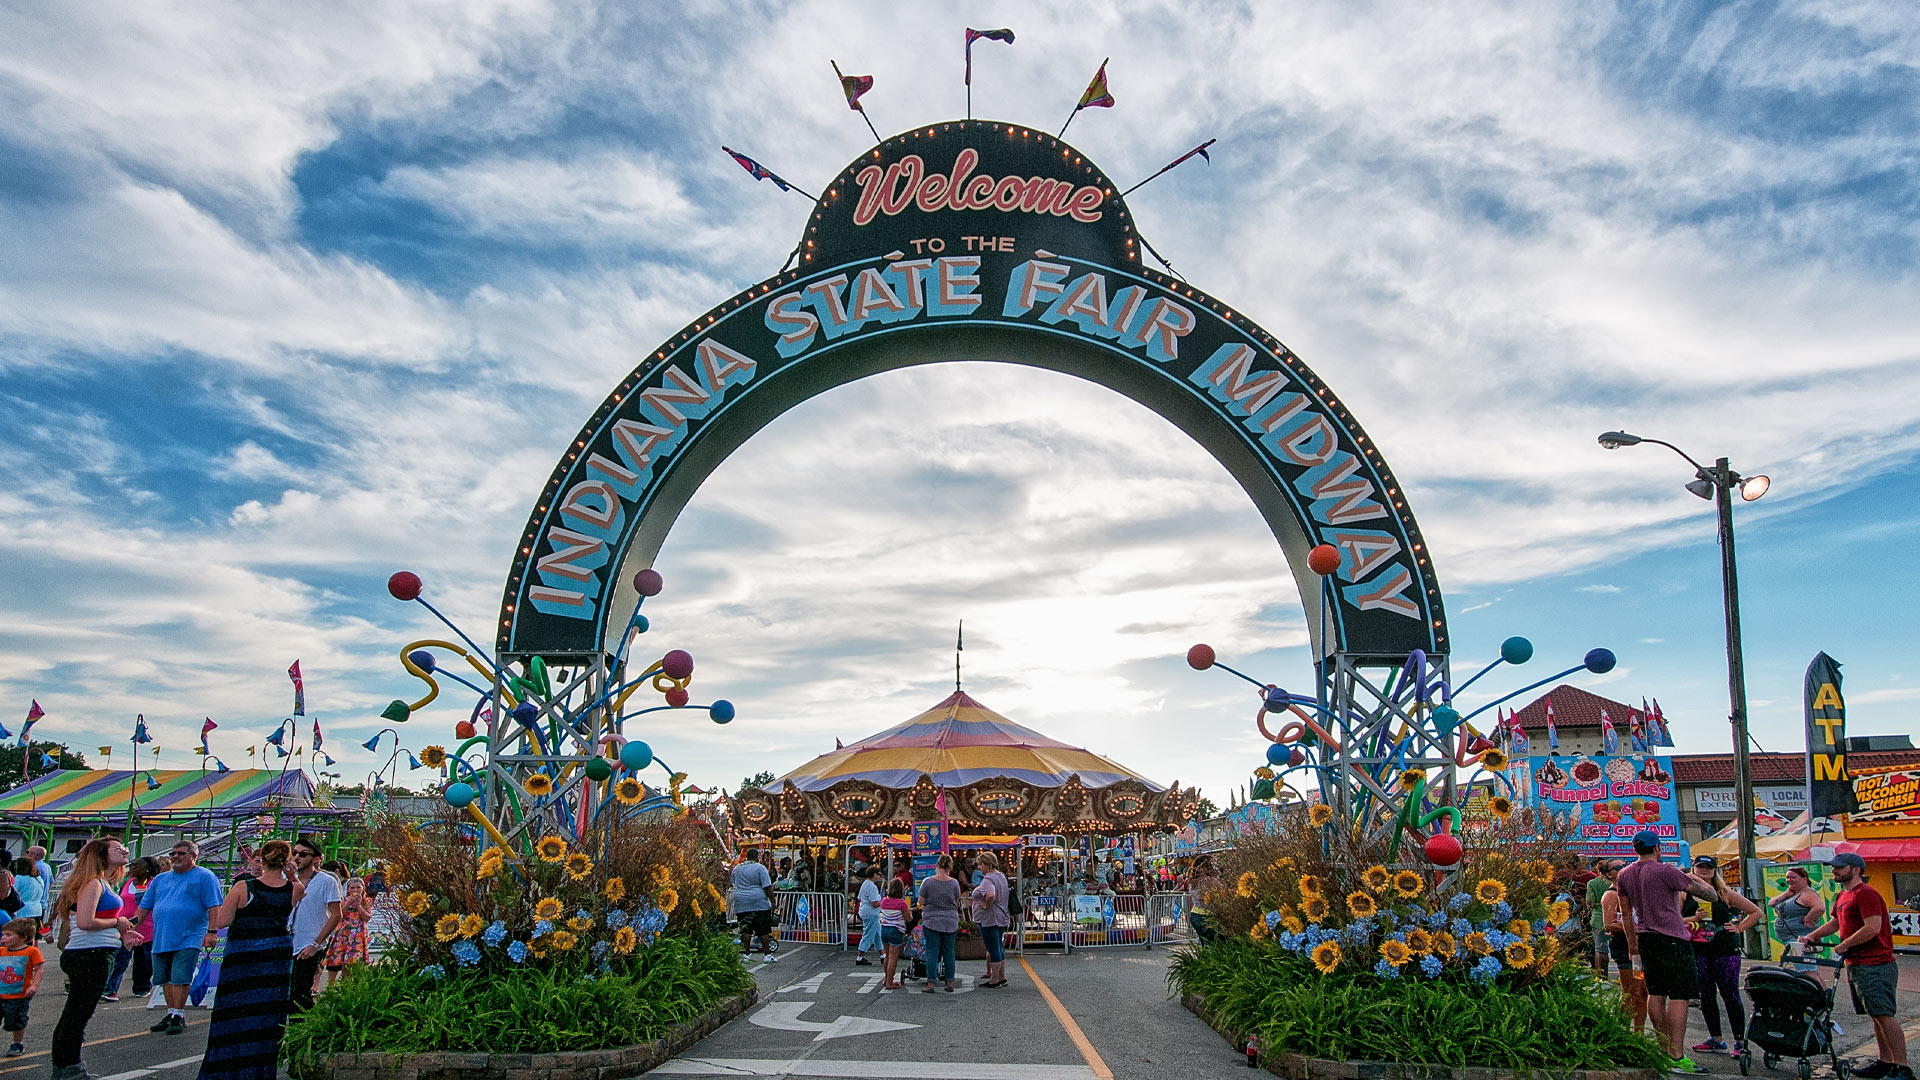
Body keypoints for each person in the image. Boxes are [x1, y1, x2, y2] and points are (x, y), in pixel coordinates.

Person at [1616, 830, 1724, 1076]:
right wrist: (1693, 875)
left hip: (1645, 937)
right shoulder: (1666, 871)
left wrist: (1633, 946)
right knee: (1679, 995)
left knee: (1656, 992)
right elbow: (1711, 895)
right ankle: (1677, 1054)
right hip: (1673, 936)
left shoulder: (1625, 874)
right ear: (1657, 848)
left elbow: (1625, 914)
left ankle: (1663, 1048)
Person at [1798, 853, 1909, 1080]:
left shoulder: (1865, 893)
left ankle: (1902, 1067)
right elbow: (1836, 922)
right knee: (1875, 1015)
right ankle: (1884, 1062)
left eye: (1840, 867)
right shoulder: (1843, 895)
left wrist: (1844, 945)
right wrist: (1812, 936)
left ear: (1856, 869)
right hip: (1857, 963)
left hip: (1875, 963)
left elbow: (1872, 927)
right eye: (1834, 867)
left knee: (1884, 1014)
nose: (1834, 871)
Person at [198, 838, 297, 1080]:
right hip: (276, 957)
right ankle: (259, 1071)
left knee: (233, 1012)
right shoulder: (296, 889)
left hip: (243, 957)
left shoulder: (244, 887)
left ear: (261, 859)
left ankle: (226, 1069)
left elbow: (221, 921)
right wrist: (291, 876)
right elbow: (294, 895)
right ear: (287, 860)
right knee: (266, 1015)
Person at [50, 837, 143, 1080]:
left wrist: (122, 932)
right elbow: (85, 922)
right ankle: (68, 1068)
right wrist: (118, 922)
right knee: (77, 1014)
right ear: (101, 855)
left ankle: (67, 1067)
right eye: (117, 848)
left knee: (77, 1013)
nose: (124, 850)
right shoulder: (93, 883)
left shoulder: (104, 882)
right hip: (89, 954)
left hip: (97, 951)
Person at [140, 840, 225, 1035]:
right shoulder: (161, 879)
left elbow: (214, 906)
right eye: (173, 853)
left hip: (190, 936)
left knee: (180, 976)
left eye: (181, 853)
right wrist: (131, 927)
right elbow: (145, 906)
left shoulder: (204, 877)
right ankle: (171, 1013)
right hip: (162, 936)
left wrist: (212, 932)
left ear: (193, 857)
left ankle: (178, 1014)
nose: (176, 857)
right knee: (165, 977)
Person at [1682, 855, 1761, 1056]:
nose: (1705, 871)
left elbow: (1756, 912)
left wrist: (1739, 928)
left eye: (1709, 867)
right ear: (1694, 868)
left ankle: (1740, 1041)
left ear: (1715, 870)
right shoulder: (1685, 893)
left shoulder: (1723, 892)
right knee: (1706, 995)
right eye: (1701, 867)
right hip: (1698, 947)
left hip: (1724, 948)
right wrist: (1694, 918)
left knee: (1730, 994)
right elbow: (1675, 918)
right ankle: (1716, 1039)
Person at [286, 836, 341, 1014]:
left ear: (316, 859)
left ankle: (305, 1034)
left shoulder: (326, 881)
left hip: (308, 944)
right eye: (294, 853)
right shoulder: (286, 879)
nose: (297, 857)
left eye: (303, 854)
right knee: (284, 993)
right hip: (286, 942)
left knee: (299, 995)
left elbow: (336, 915)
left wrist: (316, 944)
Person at [106, 857, 160, 1003]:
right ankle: (110, 989)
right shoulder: (127, 883)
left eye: (137, 866)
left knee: (143, 961)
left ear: (147, 869)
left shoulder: (154, 883)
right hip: (124, 928)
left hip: (146, 928)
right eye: (132, 865)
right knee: (119, 959)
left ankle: (142, 987)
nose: (133, 868)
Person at [1602, 871, 1648, 1035]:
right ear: (1608, 874)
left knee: (1643, 991)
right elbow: (1608, 924)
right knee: (1631, 991)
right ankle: (1621, 1032)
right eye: (1618, 867)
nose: (1623, 868)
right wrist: (1633, 928)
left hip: (1642, 947)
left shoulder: (1634, 892)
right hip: (1626, 948)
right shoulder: (1611, 894)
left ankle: (1639, 1033)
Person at [1, 917, 44, 1058]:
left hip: (19, 995)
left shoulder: (31, 951)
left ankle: (17, 1043)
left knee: (17, 1020)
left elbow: (39, 969)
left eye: (8, 935)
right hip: (1, 993)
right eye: (3, 934)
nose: (4, 938)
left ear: (23, 937)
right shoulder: (1, 951)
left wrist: (34, 985)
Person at [1769, 866, 1826, 974]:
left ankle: (1817, 990)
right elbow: (1772, 903)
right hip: (1792, 938)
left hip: (1799, 939)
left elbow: (1820, 908)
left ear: (1804, 878)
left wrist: (1807, 919)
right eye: (1787, 877)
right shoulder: (1793, 894)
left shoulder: (1808, 894)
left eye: (1793, 877)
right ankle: (1820, 990)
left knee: (1806, 971)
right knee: (1808, 970)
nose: (1789, 880)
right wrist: (1787, 893)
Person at [918, 855, 962, 993]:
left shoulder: (927, 882)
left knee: (932, 952)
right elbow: (957, 901)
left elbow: (921, 901)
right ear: (949, 867)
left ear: (936, 865)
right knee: (949, 952)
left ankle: (931, 983)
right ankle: (949, 982)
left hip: (931, 920)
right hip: (950, 920)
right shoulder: (954, 883)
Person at [970, 852, 1011, 989]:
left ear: (987, 864)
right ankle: (1001, 976)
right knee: (998, 946)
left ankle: (994, 980)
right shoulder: (1001, 876)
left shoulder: (988, 879)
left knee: (993, 948)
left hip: (990, 917)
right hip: (1001, 915)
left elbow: (991, 894)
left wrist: (987, 904)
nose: (979, 867)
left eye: (981, 864)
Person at [730, 848, 777, 958]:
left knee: (745, 929)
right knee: (763, 930)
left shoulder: (737, 868)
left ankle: (746, 954)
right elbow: (767, 886)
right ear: (757, 857)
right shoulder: (760, 868)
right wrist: (773, 900)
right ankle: (767, 955)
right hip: (759, 903)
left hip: (741, 902)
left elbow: (733, 882)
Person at [324, 876, 370, 987]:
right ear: (348, 890)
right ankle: (330, 986)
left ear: (363, 888)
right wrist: (349, 902)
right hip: (342, 933)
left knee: (350, 961)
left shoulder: (367, 901)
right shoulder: (343, 901)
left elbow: (367, 917)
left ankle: (346, 987)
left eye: (358, 887)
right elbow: (338, 914)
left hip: (357, 934)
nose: (355, 890)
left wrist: (358, 905)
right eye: (352, 888)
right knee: (335, 960)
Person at [1587, 859, 1618, 974]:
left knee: (1600, 949)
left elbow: (1589, 902)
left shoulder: (1592, 883)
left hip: (1598, 919)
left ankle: (1602, 975)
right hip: (1617, 919)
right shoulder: (1617, 883)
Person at [878, 879, 910, 990]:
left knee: (887, 956)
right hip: (896, 930)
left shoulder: (884, 901)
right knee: (893, 958)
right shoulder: (902, 903)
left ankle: (886, 979)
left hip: (884, 929)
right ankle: (890, 983)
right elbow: (908, 918)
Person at [1187, 855, 1221, 943]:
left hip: (1195, 914)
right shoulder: (1211, 880)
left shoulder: (1193, 881)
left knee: (1204, 944)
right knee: (1213, 944)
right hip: (1208, 915)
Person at [854, 866, 883, 967]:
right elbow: (875, 903)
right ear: (874, 875)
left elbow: (860, 898)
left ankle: (883, 955)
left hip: (866, 911)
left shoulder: (865, 884)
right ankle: (860, 956)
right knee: (868, 934)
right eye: (879, 874)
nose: (879, 876)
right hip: (871, 912)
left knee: (877, 933)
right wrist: (884, 902)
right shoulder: (872, 886)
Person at [9, 859, 45, 936]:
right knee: (32, 936)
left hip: (22, 911)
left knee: (20, 935)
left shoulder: (19, 878)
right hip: (37, 910)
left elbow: (12, 893)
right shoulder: (39, 879)